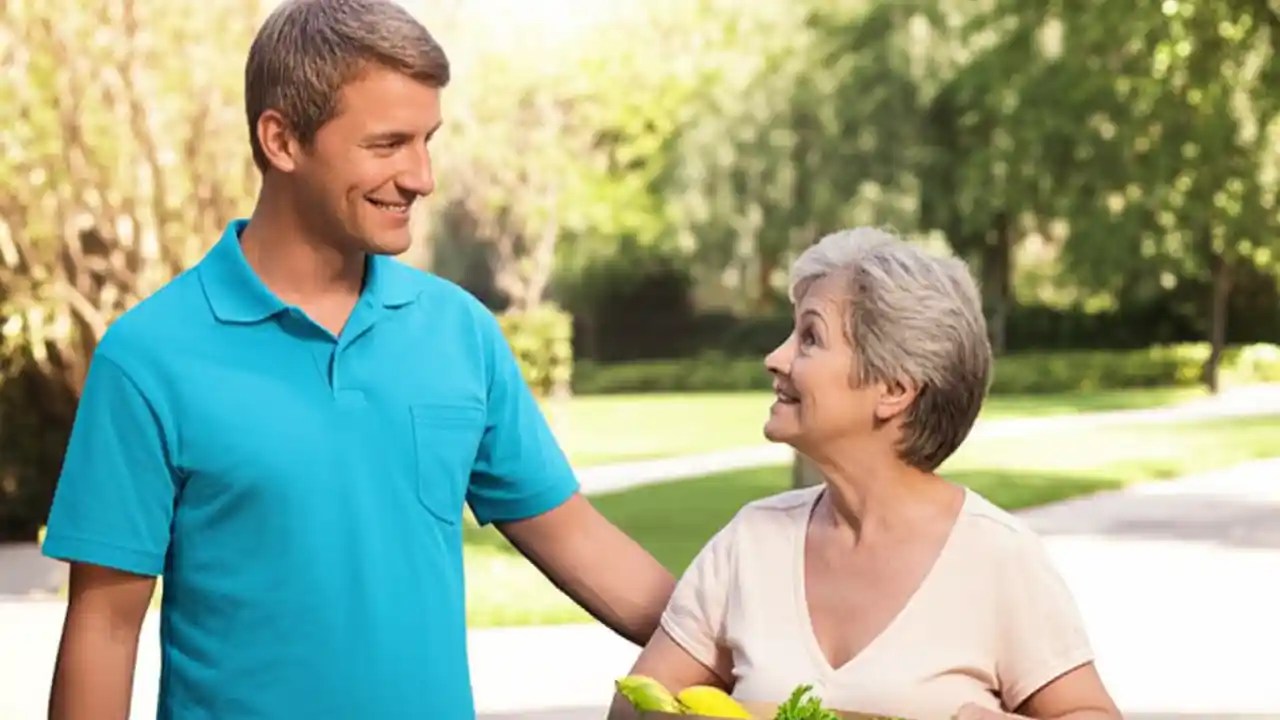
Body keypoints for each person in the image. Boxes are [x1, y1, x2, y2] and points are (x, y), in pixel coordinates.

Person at [40, 1, 675, 718]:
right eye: (388, 144)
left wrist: (745, 652)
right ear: (281, 140)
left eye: (427, 140)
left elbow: (580, 542)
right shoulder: (150, 357)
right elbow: (105, 628)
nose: (422, 177)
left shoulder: (458, 332)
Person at [609, 228, 1122, 720]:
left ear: (894, 389)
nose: (775, 358)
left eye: (810, 338)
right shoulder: (750, 543)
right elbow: (633, 706)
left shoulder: (996, 556)